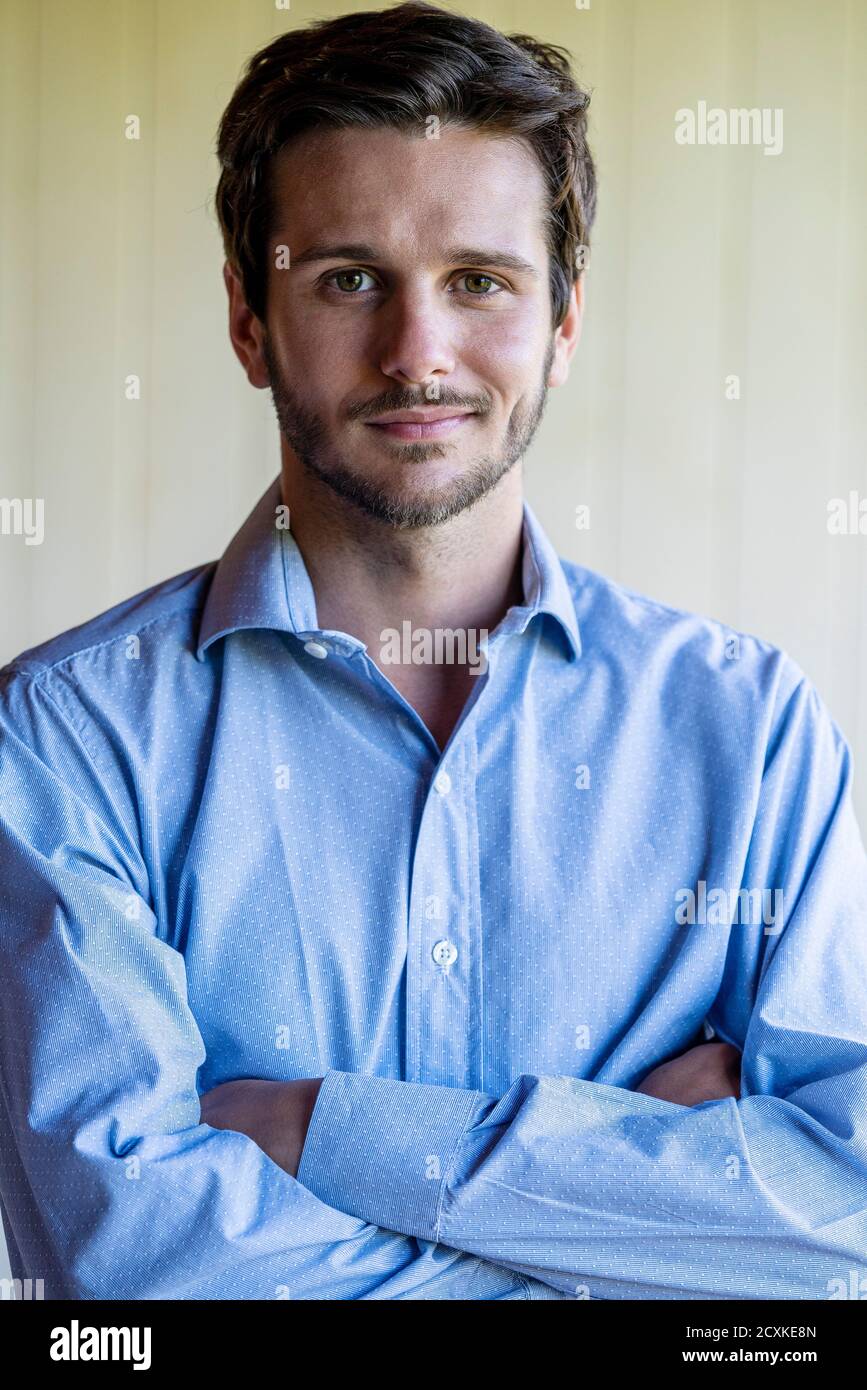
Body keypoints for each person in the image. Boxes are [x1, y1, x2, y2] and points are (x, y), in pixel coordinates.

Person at [1, 1, 865, 1302]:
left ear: (564, 321)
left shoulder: (751, 734)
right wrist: (652, 1211)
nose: (419, 353)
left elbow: (842, 1217)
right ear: (248, 318)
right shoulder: (67, 737)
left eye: (481, 280)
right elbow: (130, 1271)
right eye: (349, 278)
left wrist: (318, 1134)